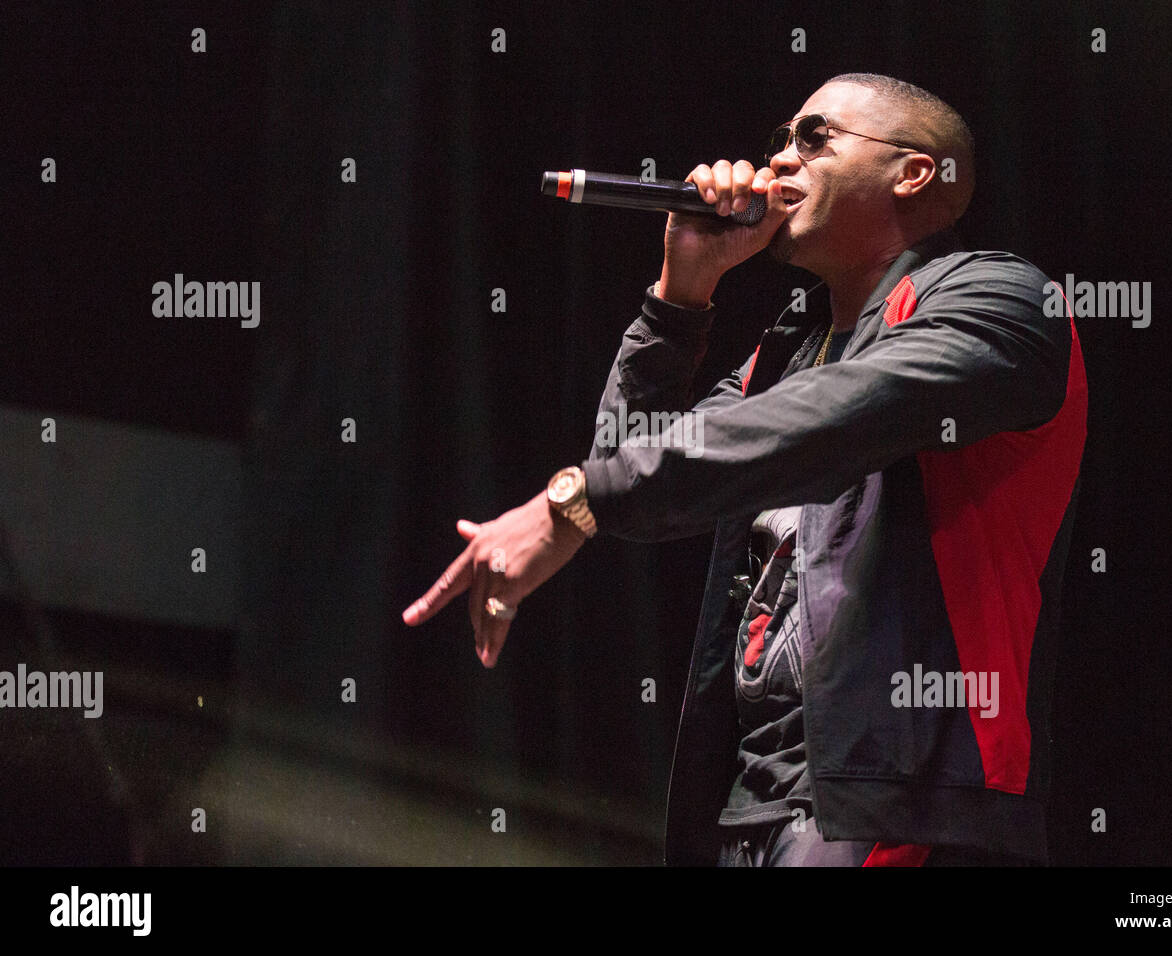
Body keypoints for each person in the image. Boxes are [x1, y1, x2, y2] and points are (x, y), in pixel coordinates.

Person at [403, 73, 1087, 867]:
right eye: (779, 141)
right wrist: (680, 291)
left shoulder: (1001, 301)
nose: (777, 163)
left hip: (895, 802)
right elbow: (635, 461)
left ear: (913, 171)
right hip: (750, 803)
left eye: (813, 138)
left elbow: (826, 421)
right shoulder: (792, 349)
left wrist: (575, 503)